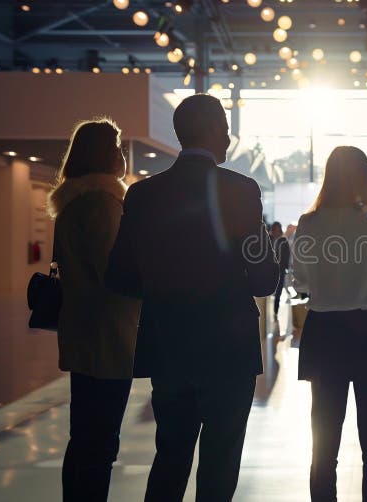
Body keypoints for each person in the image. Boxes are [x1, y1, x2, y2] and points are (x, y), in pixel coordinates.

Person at [105, 94, 279, 501]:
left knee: (170, 455)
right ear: (217, 132)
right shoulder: (241, 190)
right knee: (220, 464)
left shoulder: (144, 195)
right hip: (229, 349)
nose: (230, 137)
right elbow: (262, 280)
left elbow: (120, 276)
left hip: (168, 346)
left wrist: (163, 289)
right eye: (226, 128)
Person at [292, 146, 367, 502]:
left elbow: (300, 283)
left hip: (324, 334)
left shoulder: (309, 223)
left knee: (324, 447)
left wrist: (330, 289)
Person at [47, 118, 141, 501]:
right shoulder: (104, 203)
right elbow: (115, 271)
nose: (122, 155)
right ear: (105, 154)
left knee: (83, 437)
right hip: (110, 336)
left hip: (82, 332)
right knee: (101, 443)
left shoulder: (71, 201)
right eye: (117, 147)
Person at [270, 221, 291, 320]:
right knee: (270, 291)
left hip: (280, 269)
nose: (277, 231)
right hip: (270, 269)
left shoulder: (284, 240)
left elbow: (287, 254)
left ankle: (275, 310)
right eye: (275, 229)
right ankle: (269, 311)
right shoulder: (269, 239)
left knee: (278, 291)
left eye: (278, 229)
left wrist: (286, 267)